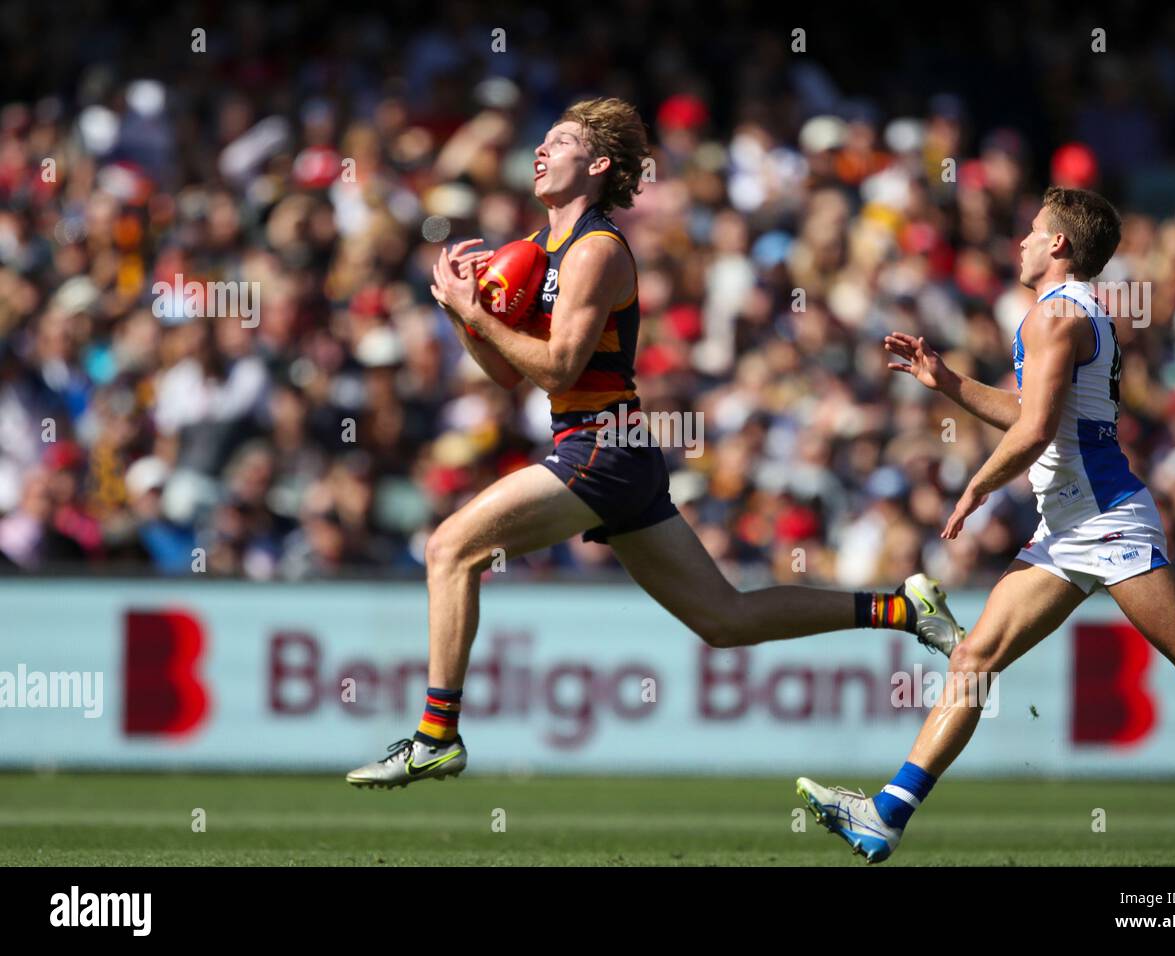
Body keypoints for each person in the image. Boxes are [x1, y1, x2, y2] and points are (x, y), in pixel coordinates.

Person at [345, 97, 964, 788]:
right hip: (613, 450)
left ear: (599, 164)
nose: (540, 151)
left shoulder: (596, 250)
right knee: (725, 618)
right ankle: (904, 608)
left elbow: (557, 368)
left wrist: (473, 316)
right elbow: (506, 374)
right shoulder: (541, 250)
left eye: (559, 141)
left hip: (600, 446)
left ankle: (436, 736)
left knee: (449, 549)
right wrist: (465, 318)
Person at [798, 186, 1175, 861]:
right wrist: (947, 383)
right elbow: (1034, 413)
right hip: (1068, 527)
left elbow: (1034, 430)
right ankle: (886, 814)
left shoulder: (1054, 318)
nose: (1024, 240)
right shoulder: (1066, 314)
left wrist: (977, 484)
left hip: (1106, 519)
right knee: (975, 658)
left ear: (1059, 244)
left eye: (1035, 231)